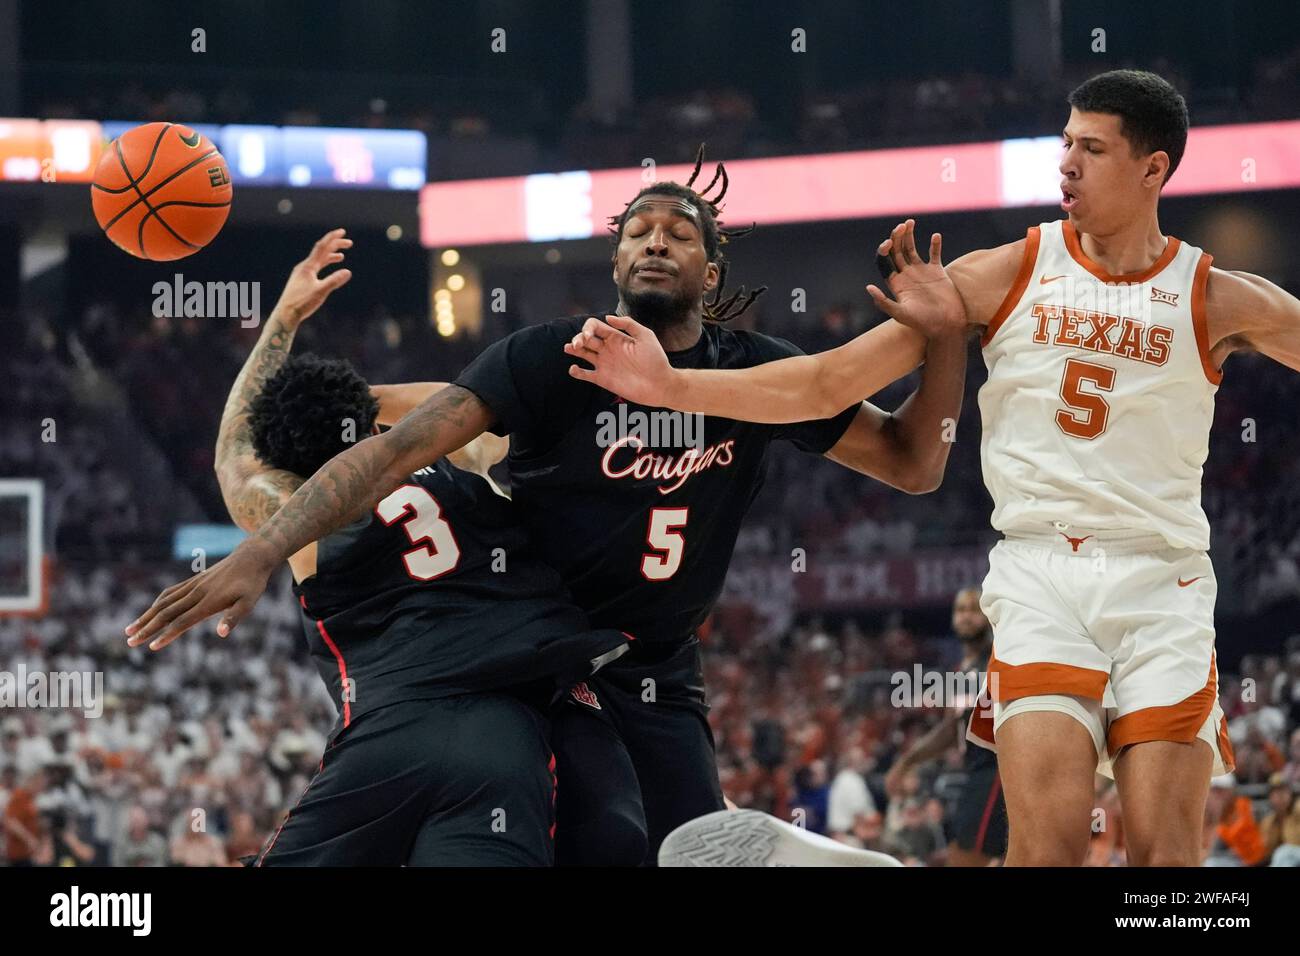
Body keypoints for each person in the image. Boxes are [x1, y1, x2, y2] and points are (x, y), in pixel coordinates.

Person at [125, 150, 969, 864]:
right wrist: (264, 543)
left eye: (679, 233)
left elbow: (915, 462)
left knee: (695, 845)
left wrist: (946, 345)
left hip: (657, 667)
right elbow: (390, 443)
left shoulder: (756, 375)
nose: (655, 242)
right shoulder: (544, 362)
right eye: (637, 231)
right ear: (613, 265)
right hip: (544, 663)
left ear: (712, 271)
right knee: (603, 842)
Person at [562, 71, 1300, 866]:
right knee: (1046, 852)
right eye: (1065, 145)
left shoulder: (1219, 296)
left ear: (1153, 168)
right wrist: (673, 386)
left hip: (1167, 585)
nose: (1067, 166)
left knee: (1169, 868)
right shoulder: (1002, 272)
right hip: (1045, 575)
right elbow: (826, 382)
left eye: (1092, 149)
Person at [134, 230, 626, 866]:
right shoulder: (459, 455)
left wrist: (283, 317)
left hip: (387, 734)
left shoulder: (286, 507)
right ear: (371, 425)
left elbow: (232, 448)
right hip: (504, 734)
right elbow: (467, 403)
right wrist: (359, 402)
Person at [885, 587, 1006, 865]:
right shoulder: (960, 671)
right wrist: (907, 761)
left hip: (997, 769)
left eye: (974, 610)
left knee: (965, 857)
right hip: (976, 770)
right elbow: (951, 731)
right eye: (960, 610)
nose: (966, 617)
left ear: (989, 615)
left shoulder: (998, 658)